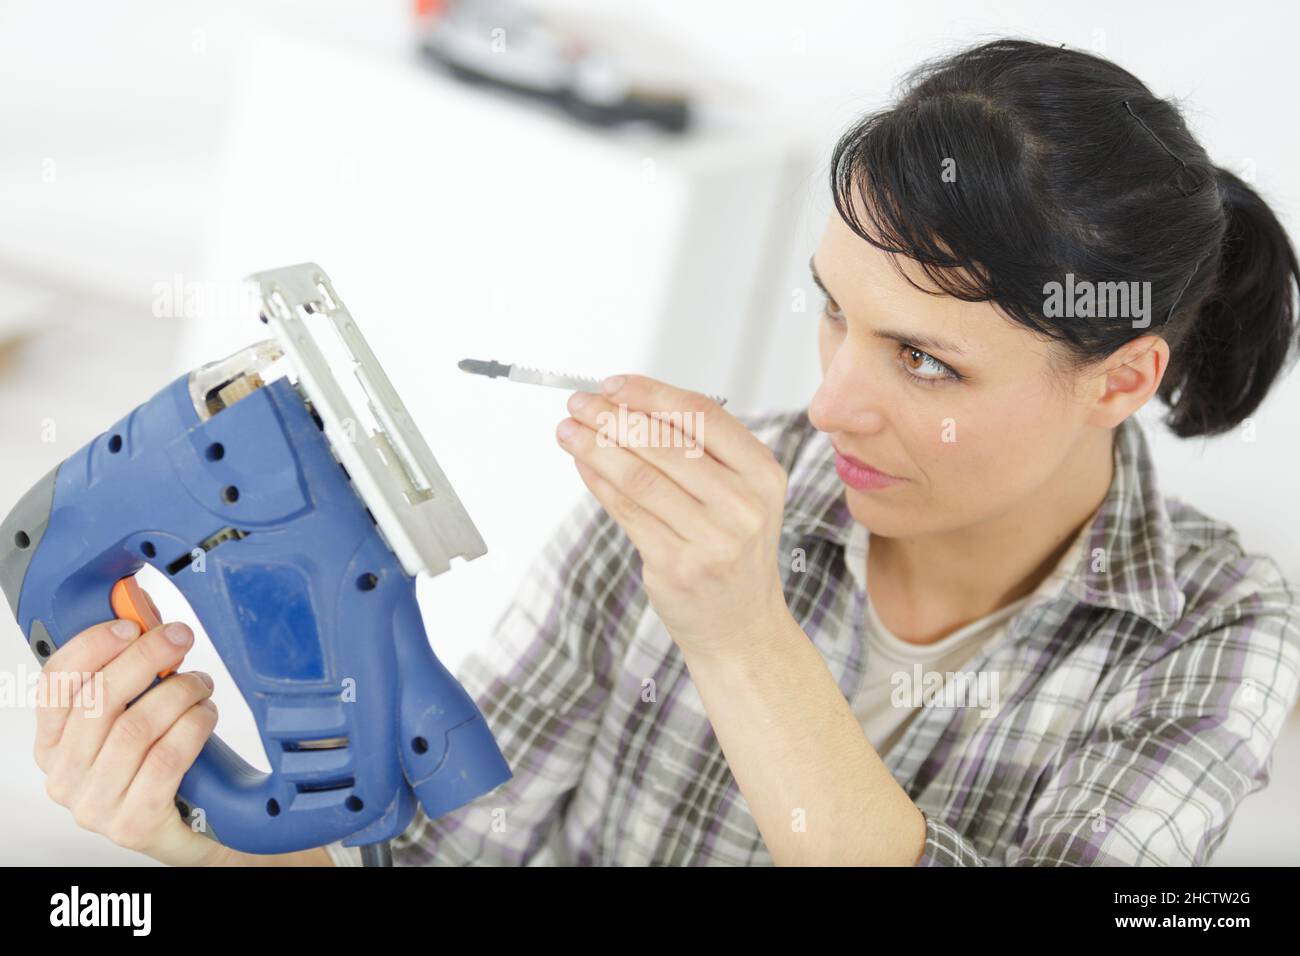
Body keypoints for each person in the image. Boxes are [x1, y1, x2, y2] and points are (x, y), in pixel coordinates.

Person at [34, 38, 1300, 866]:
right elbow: (441, 858)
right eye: (834, 312)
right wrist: (187, 826)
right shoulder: (697, 510)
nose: (830, 404)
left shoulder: (1218, 633)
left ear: (1120, 376)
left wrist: (741, 636)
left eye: (925, 361)